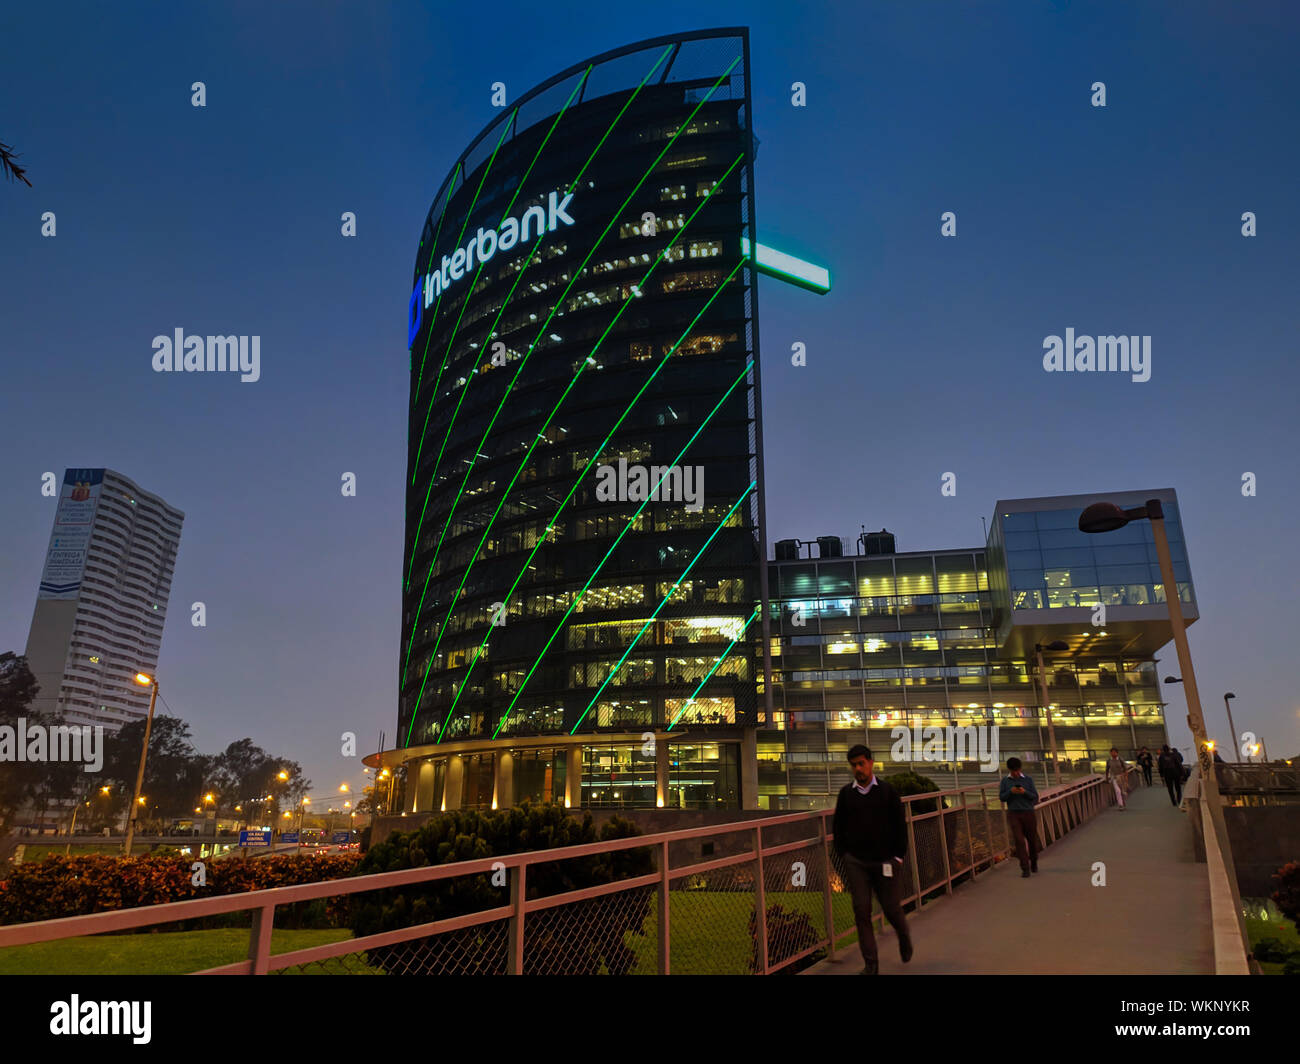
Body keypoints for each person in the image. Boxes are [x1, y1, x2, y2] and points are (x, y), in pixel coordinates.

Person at [832, 745, 912, 975]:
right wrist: (844, 855)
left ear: (871, 763)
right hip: (856, 862)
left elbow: (900, 826)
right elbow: (838, 828)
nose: (858, 768)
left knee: (890, 909)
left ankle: (903, 935)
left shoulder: (887, 792)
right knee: (861, 911)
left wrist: (898, 857)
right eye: (854, 765)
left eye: (861, 763)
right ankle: (871, 965)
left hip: (886, 861)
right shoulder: (846, 794)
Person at [998, 757, 1040, 877]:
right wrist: (1010, 791)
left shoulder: (1028, 780)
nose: (1015, 774)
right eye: (1013, 771)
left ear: (1020, 769)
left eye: (1017, 771)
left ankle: (1034, 862)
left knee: (1032, 840)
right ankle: (1025, 868)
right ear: (1009, 770)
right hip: (1013, 814)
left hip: (1028, 813)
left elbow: (1035, 797)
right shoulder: (1005, 782)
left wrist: (1024, 792)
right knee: (1019, 841)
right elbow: (1002, 797)